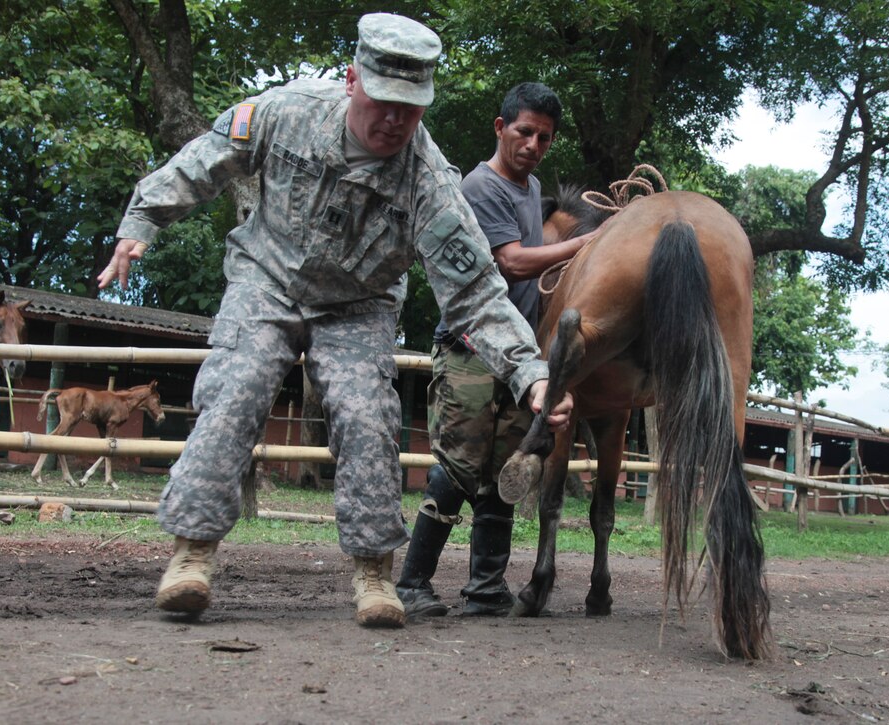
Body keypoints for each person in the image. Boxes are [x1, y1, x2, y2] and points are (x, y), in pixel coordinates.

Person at [98, 13, 573, 629]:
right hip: (266, 279)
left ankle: (375, 573)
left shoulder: (431, 183)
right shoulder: (284, 111)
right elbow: (203, 161)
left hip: (358, 303)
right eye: (383, 103)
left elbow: (479, 293)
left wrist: (529, 374)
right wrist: (141, 223)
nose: (395, 121)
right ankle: (192, 555)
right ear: (352, 81)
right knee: (234, 391)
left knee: (366, 414)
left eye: (411, 109)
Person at [397, 82, 596, 617]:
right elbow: (510, 262)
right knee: (458, 467)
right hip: (468, 347)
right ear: (500, 127)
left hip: (515, 357)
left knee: (504, 469)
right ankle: (412, 583)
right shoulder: (481, 187)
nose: (533, 144)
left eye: (544, 138)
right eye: (524, 131)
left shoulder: (530, 191)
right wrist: (585, 244)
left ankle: (485, 587)